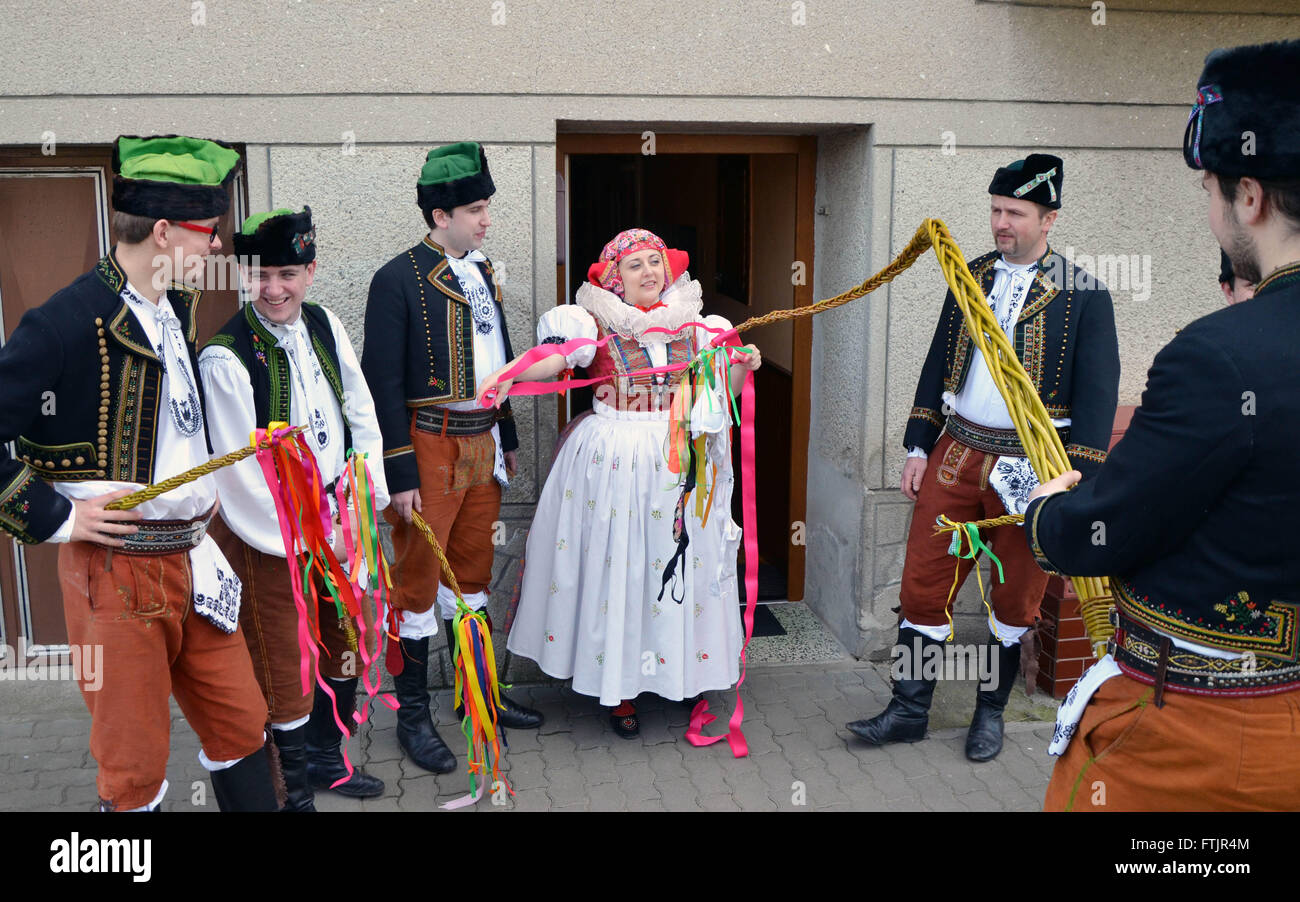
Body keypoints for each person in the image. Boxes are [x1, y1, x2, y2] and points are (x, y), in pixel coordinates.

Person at [1025, 39, 1300, 811]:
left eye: (1211, 189)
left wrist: (1053, 508)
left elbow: (1104, 529)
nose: (1211, 212)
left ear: (1250, 197)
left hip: (1203, 738)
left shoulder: (1219, 356)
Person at [0, 135, 276, 811]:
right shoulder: (64, 322)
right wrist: (59, 517)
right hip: (116, 574)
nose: (215, 248)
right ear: (162, 230)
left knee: (243, 726)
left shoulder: (174, 310)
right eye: (207, 232)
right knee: (133, 771)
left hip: (193, 562)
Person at [846, 154, 1120, 762]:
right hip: (957, 452)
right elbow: (936, 364)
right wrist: (919, 443)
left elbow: (1098, 401)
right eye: (996, 210)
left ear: (1049, 219)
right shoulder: (969, 278)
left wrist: (1079, 484)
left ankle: (989, 716)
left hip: (1031, 467)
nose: (1001, 223)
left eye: (1015, 213)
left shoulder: (1085, 296)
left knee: (1017, 596)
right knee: (922, 584)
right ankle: (909, 710)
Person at [478, 228, 761, 738]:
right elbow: (557, 359)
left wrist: (740, 366)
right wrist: (510, 376)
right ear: (615, 279)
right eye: (636, 265)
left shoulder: (698, 325)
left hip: (678, 460)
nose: (649, 271)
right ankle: (621, 688)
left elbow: (724, 394)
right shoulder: (591, 322)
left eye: (656, 261)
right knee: (624, 567)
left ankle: (683, 669)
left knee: (679, 566)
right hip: (614, 458)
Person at [362, 141, 543, 776]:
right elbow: (379, 382)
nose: (485, 218)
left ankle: (478, 700)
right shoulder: (396, 279)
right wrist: (400, 470)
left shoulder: (484, 271)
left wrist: (510, 434)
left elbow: (505, 362)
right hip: (429, 444)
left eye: (486, 206)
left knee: (470, 577)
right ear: (440, 215)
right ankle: (412, 717)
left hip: (483, 441)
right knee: (415, 583)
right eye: (475, 208)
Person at [199, 206, 389, 810]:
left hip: (339, 519)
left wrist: (362, 502)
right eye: (259, 276)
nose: (273, 289)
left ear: (310, 271)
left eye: (287, 273)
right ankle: (293, 791)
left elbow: (360, 409)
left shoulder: (326, 323)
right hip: (269, 536)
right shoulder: (225, 358)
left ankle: (330, 762)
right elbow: (237, 472)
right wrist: (309, 534)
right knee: (284, 663)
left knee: (343, 642)